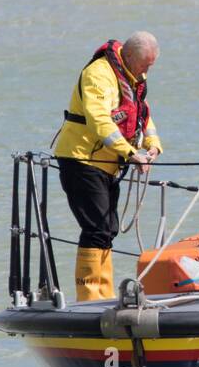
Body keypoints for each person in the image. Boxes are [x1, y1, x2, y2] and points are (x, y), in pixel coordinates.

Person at [53, 32, 162, 301]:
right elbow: (100, 121)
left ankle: (105, 294)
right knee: (96, 228)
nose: (147, 71)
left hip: (108, 163)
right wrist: (130, 152)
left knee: (108, 228)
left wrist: (152, 143)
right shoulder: (98, 75)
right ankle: (90, 297)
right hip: (82, 159)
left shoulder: (134, 75)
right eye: (145, 65)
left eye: (151, 66)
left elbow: (141, 111)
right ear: (129, 56)